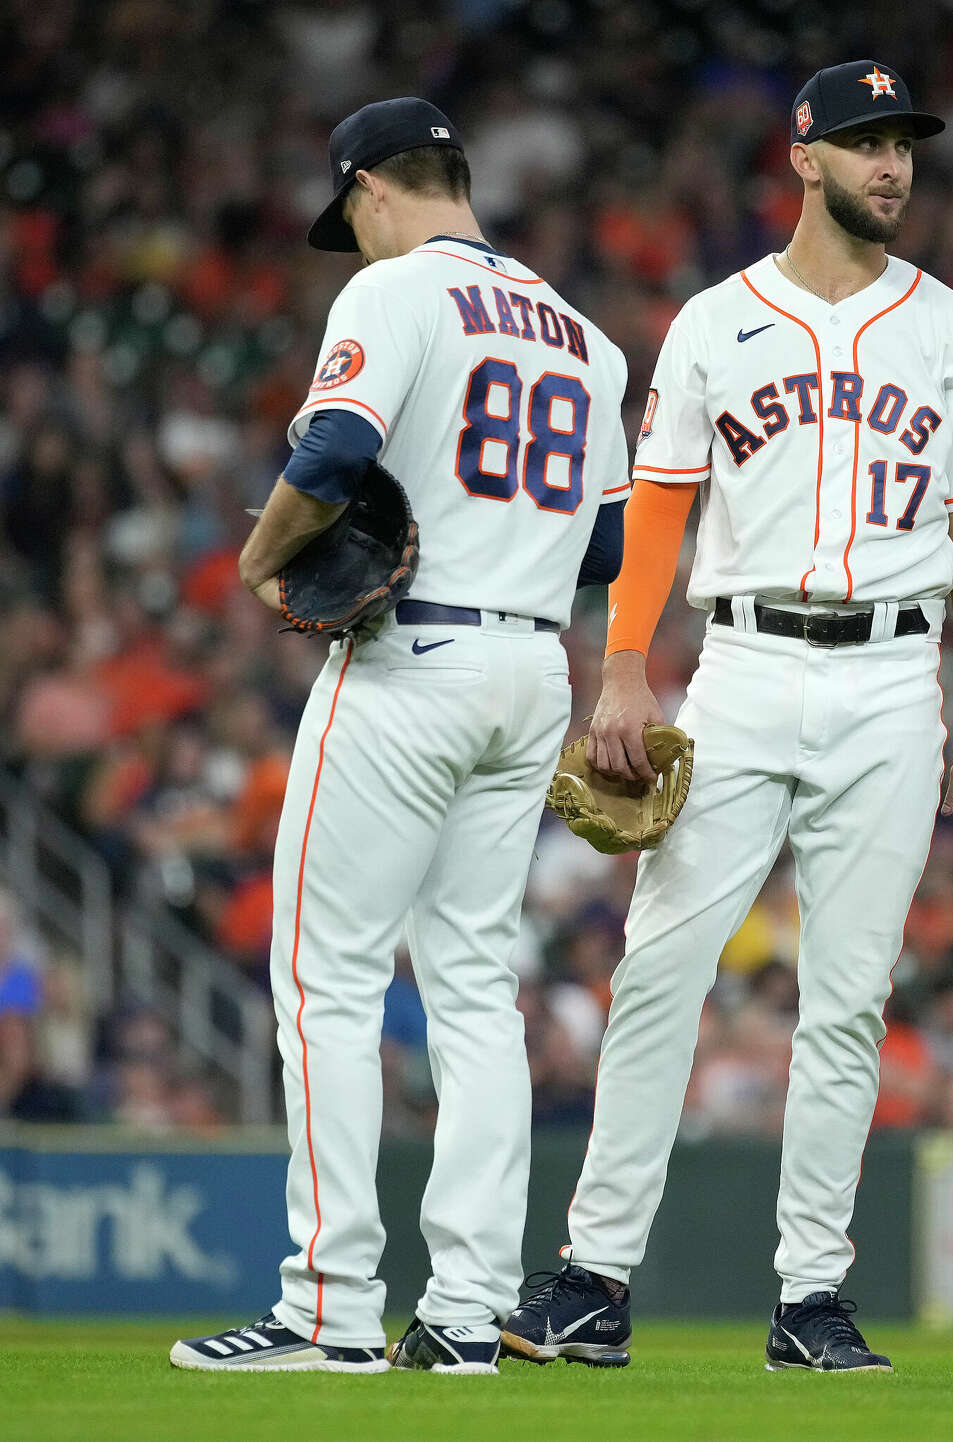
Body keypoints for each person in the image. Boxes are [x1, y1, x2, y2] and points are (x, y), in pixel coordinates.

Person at [502, 60, 953, 1374]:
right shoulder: (715, 322)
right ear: (802, 156)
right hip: (739, 666)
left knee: (849, 1001)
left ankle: (811, 1295)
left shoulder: (952, 329)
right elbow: (658, 508)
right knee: (659, 967)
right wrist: (625, 669)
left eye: (903, 143)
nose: (891, 164)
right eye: (865, 142)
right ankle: (593, 1277)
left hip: (894, 682)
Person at [170, 97, 631, 1375]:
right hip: (531, 667)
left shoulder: (395, 292)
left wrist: (261, 561)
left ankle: (326, 1307)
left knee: (325, 977)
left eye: (351, 213)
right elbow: (604, 546)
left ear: (373, 185)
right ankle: (469, 1311)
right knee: (476, 987)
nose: (354, 238)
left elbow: (333, 451)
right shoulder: (587, 338)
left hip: (410, 659)